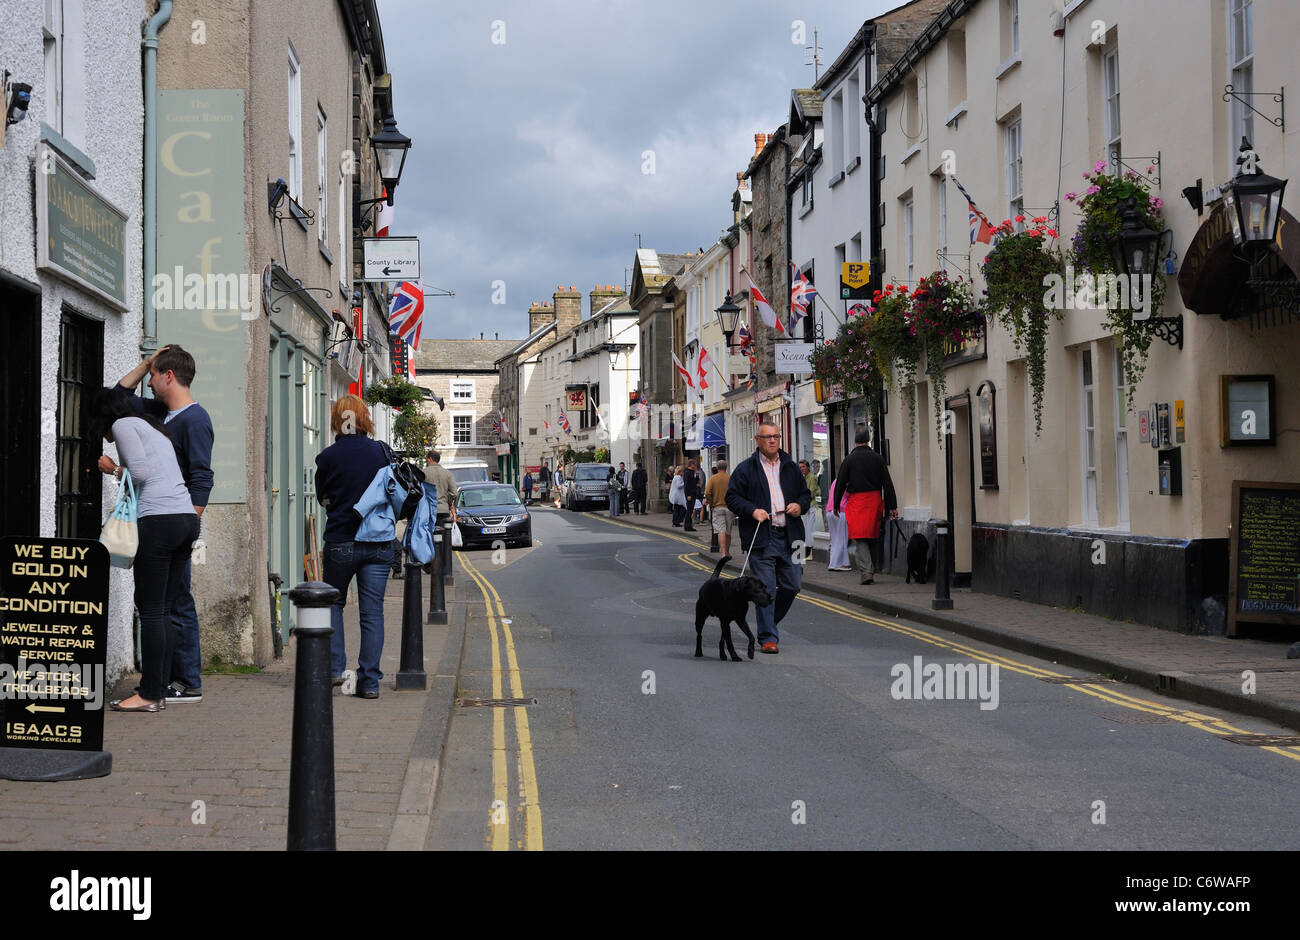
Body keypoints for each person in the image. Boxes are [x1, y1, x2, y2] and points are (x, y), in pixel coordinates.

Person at [109, 344, 213, 705]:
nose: (148, 383)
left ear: (169, 377)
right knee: (166, 606)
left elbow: (202, 475)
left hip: (168, 520)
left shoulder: (195, 420)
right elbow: (117, 397)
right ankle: (164, 681)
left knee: (173, 604)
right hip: (172, 519)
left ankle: (186, 681)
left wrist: (190, 521)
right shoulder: (159, 413)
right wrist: (146, 363)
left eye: (153, 376)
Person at [95, 389, 200, 712]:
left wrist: (112, 468)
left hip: (158, 522)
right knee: (164, 609)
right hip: (184, 519)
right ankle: (159, 688)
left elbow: (139, 473)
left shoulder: (125, 424)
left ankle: (150, 695)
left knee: (151, 609)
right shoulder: (153, 428)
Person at [314, 396, 393, 699]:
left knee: (334, 603)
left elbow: (323, 499)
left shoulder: (328, 457)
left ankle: (335, 670)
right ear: (364, 419)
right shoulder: (381, 453)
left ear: (338, 419)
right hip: (378, 542)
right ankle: (370, 682)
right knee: (372, 613)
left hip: (341, 541)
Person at [725, 422, 811, 654]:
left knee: (794, 585)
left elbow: (806, 495)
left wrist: (799, 506)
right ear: (758, 440)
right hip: (762, 537)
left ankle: (769, 624)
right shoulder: (746, 469)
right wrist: (753, 511)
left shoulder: (791, 467)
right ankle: (768, 638)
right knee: (767, 589)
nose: (772, 440)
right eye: (767, 437)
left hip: (793, 536)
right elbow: (732, 498)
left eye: (776, 436)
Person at [834, 425, 899, 585]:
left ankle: (867, 571)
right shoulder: (878, 458)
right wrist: (893, 506)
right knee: (873, 535)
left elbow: (840, 483)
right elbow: (887, 483)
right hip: (874, 500)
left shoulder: (849, 460)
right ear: (868, 440)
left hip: (856, 502)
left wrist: (836, 504)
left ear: (855, 440)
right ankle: (873, 566)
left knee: (859, 537)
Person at [424, 450, 459, 571]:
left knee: (429, 538)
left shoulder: (424, 473)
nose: (425, 461)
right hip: (443, 510)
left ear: (430, 459)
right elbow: (454, 493)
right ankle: (443, 567)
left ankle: (430, 565)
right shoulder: (447, 473)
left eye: (426, 458)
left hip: (428, 511)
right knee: (443, 539)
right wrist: (447, 502)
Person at [704, 458, 733, 557]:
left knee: (721, 530)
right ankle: (728, 552)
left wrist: (711, 503)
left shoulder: (713, 478)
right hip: (729, 507)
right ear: (726, 467)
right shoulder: (730, 478)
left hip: (717, 507)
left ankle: (723, 552)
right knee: (728, 531)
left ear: (717, 467)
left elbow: (707, 492)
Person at [826, 476, 851, 571]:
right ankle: (840, 564)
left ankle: (833, 563)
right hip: (841, 510)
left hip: (829, 510)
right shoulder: (847, 482)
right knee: (842, 538)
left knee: (834, 539)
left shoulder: (835, 481)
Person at [682, 457, 701, 532]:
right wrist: (688, 495)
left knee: (690, 510)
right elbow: (687, 485)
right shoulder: (687, 472)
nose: (695, 466)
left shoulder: (691, 472)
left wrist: (697, 475)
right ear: (691, 464)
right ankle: (687, 526)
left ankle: (689, 526)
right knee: (689, 511)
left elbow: (695, 483)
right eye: (695, 465)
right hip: (690, 494)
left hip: (693, 493)